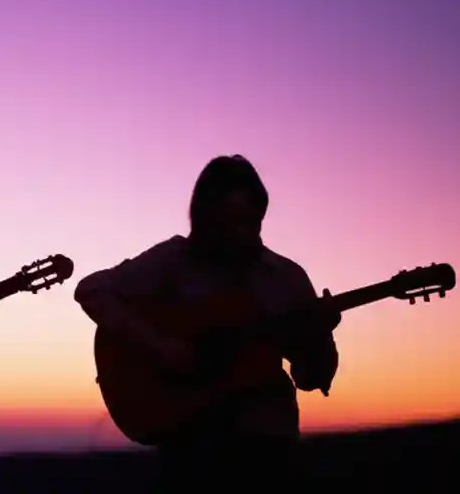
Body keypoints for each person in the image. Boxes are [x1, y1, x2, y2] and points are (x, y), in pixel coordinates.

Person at [75, 155, 340, 492]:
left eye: (250, 222)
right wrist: (164, 347)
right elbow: (92, 291)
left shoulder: (285, 277)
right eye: (229, 223)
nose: (241, 234)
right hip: (191, 443)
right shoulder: (174, 260)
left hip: (268, 445)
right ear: (204, 220)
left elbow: (311, 377)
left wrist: (319, 337)